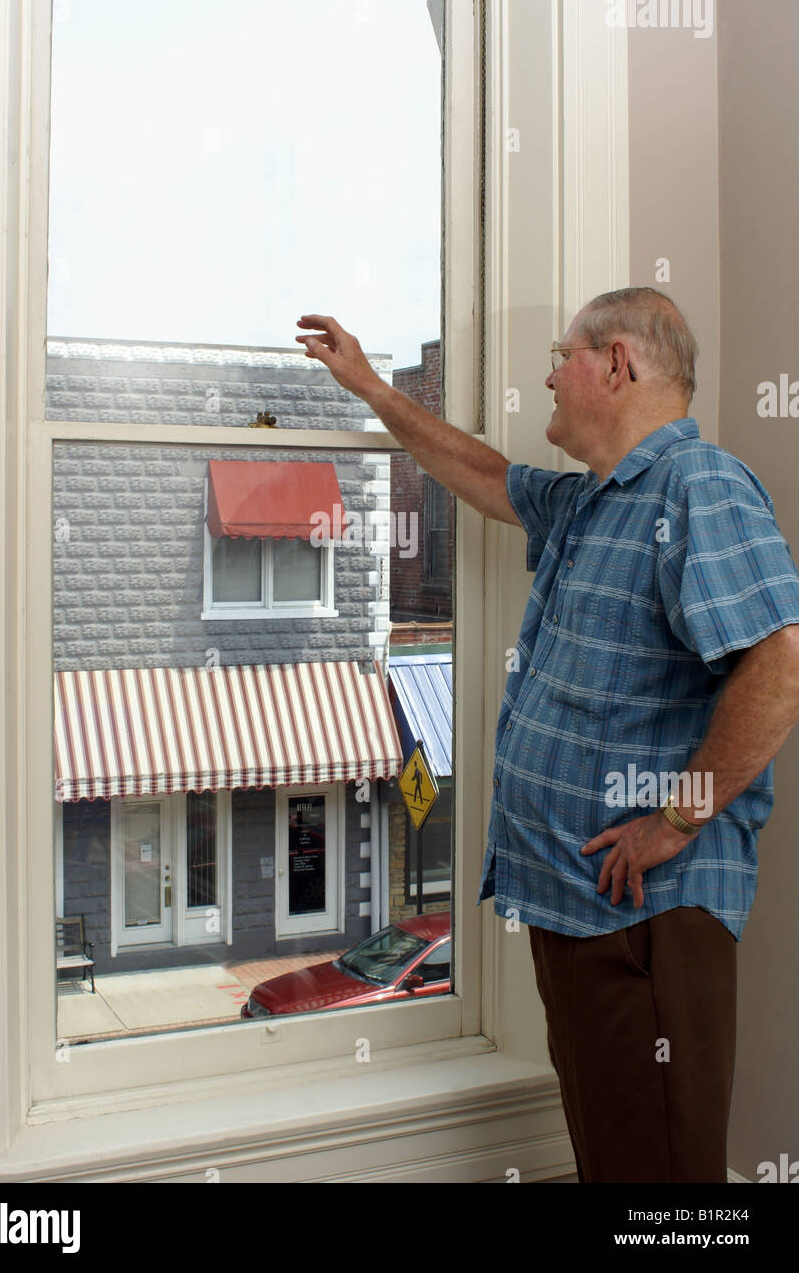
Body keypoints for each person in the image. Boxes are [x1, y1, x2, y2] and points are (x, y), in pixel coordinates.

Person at [295, 288, 799, 1183]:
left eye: (562, 354)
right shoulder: (589, 508)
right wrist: (371, 386)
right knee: (619, 1164)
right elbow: (482, 474)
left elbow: (780, 665)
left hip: (648, 918)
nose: (548, 374)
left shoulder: (698, 486)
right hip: (579, 911)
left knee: (667, 1191)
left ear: (618, 364)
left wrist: (674, 822)